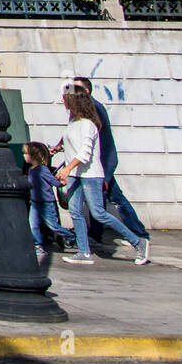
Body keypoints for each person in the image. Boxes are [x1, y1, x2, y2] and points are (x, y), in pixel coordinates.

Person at [56, 85, 149, 265]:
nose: (62, 100)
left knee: (98, 213)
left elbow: (85, 153)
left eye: (65, 97)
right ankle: (83, 252)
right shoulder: (73, 122)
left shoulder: (89, 125)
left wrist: (67, 169)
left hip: (90, 175)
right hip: (75, 174)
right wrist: (57, 149)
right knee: (75, 212)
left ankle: (138, 242)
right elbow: (70, 145)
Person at [73, 76, 151, 246]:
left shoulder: (94, 108)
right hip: (97, 162)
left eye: (75, 88)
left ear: (86, 91)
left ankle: (137, 236)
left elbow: (93, 137)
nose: (71, 91)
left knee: (106, 200)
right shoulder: (82, 110)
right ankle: (133, 233)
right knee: (110, 198)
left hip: (102, 162)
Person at [24, 141, 76, 256]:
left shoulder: (42, 170)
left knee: (52, 225)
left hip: (46, 203)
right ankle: (38, 245)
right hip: (35, 202)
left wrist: (62, 182)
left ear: (33, 156)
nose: (24, 156)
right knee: (33, 225)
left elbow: (54, 182)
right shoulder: (31, 170)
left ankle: (71, 236)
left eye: (25, 153)